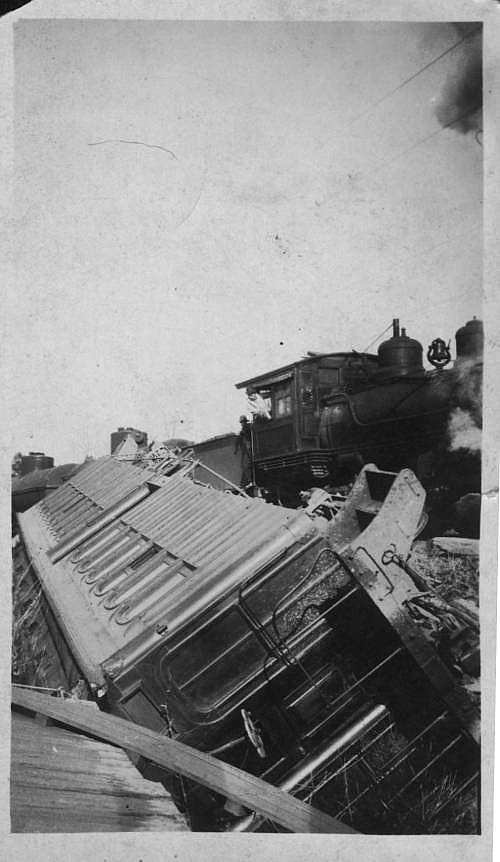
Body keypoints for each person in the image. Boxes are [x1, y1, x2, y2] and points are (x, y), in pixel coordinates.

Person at [234, 415, 253, 489]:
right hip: (246, 450)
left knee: (246, 465)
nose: (242, 423)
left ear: (245, 422)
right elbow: (238, 439)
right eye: (241, 422)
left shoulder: (247, 427)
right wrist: (236, 449)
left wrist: (236, 449)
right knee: (244, 465)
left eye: (243, 422)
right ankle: (248, 481)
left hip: (249, 449)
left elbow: (241, 436)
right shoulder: (244, 429)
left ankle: (251, 481)